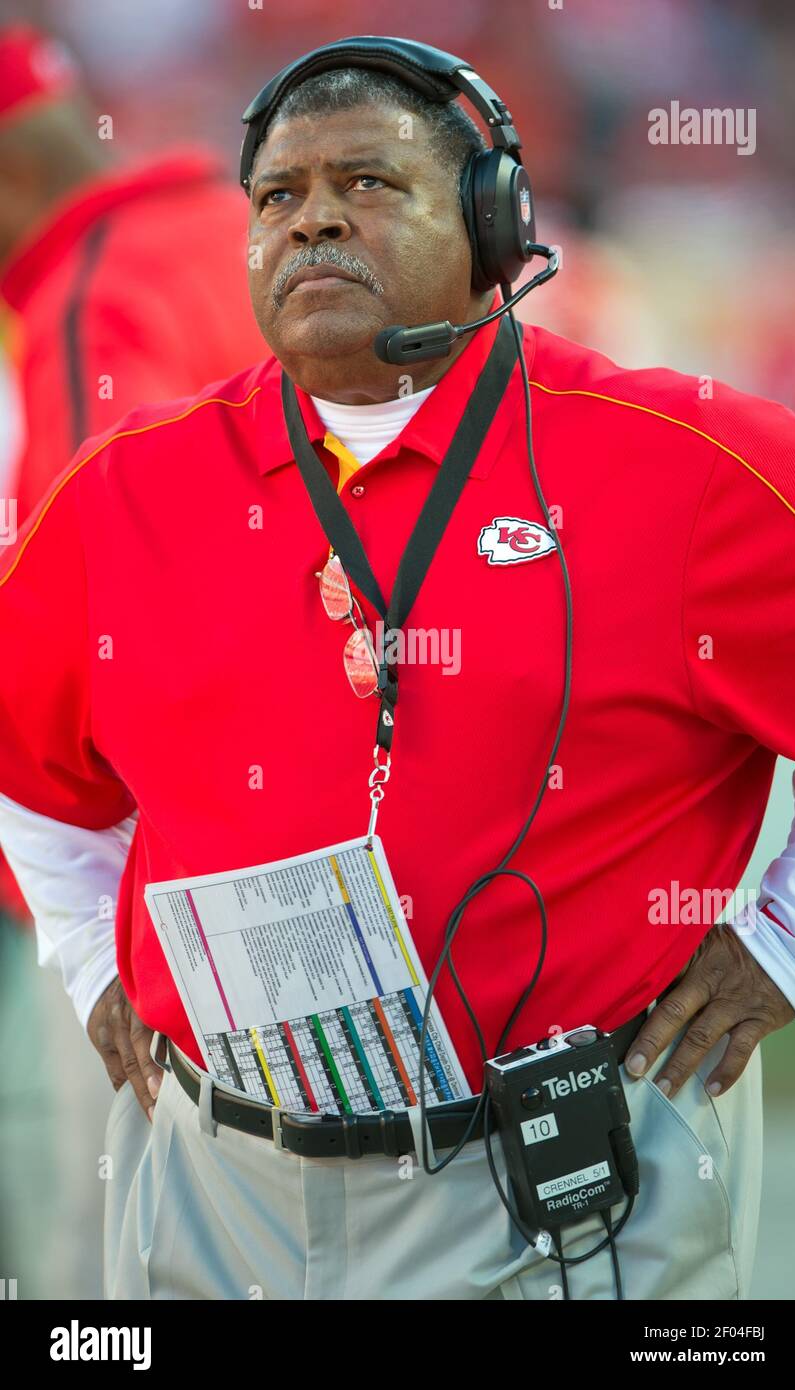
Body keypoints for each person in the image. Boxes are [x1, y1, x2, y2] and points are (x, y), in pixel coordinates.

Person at [0, 36, 795, 1301]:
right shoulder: (120, 491)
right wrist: (92, 958)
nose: (314, 218)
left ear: (495, 226)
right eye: (279, 196)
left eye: (368, 184)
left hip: (572, 1176)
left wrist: (787, 943)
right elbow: (30, 770)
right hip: (222, 1174)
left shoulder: (697, 466)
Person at [0, 22, 265, 1298]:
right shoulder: (237, 224)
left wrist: (103, 923)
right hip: (341, 841)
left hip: (157, 881)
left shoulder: (86, 289)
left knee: (95, 1277)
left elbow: (101, 603)